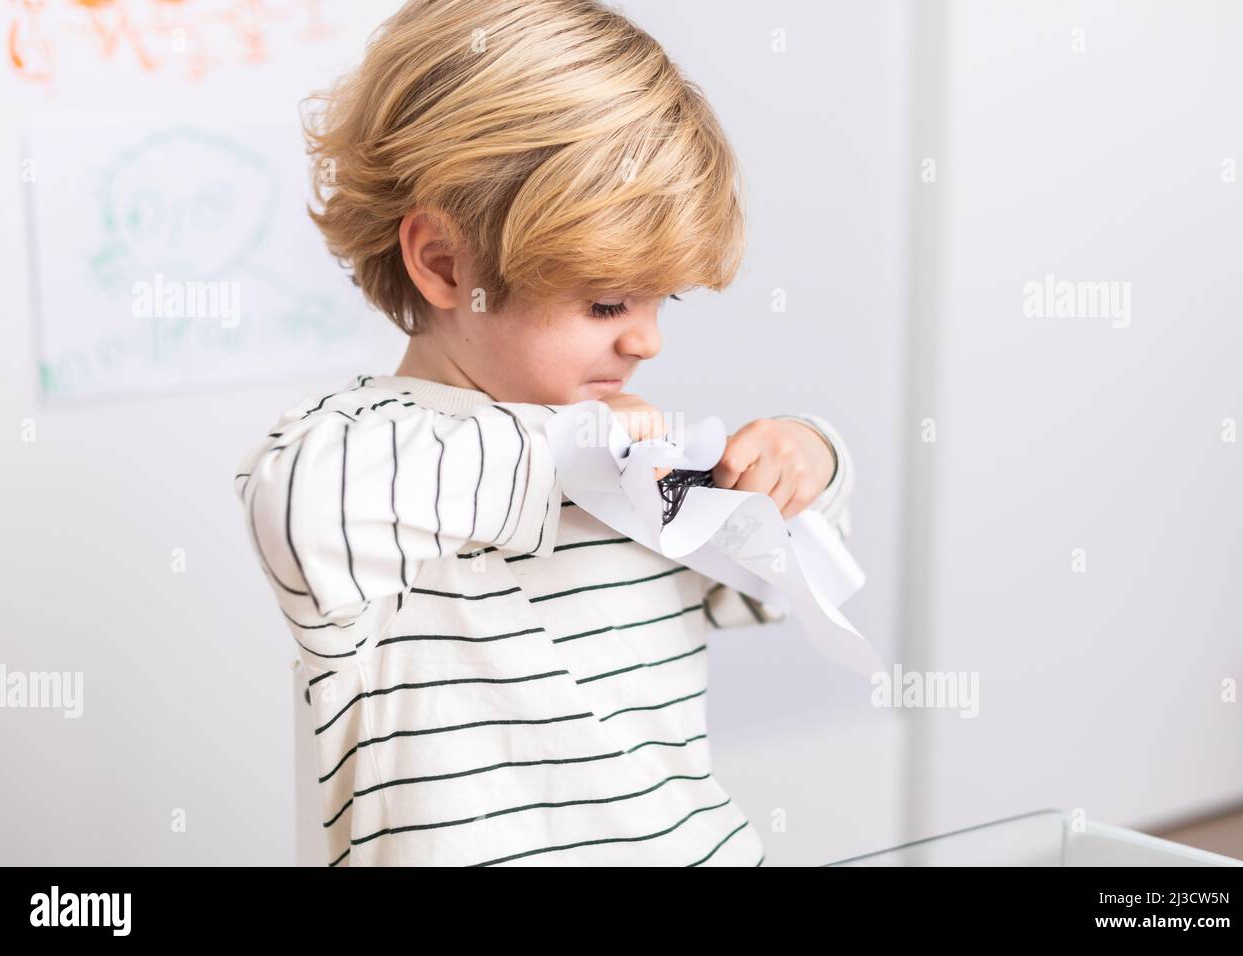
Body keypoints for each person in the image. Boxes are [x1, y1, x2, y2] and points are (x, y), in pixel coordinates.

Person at [232, 0, 856, 866]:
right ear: (446, 265)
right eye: (606, 303)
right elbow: (302, 502)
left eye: (658, 299)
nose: (648, 340)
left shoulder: (634, 466)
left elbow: (780, 572)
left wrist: (808, 460)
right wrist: (573, 456)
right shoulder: (361, 460)